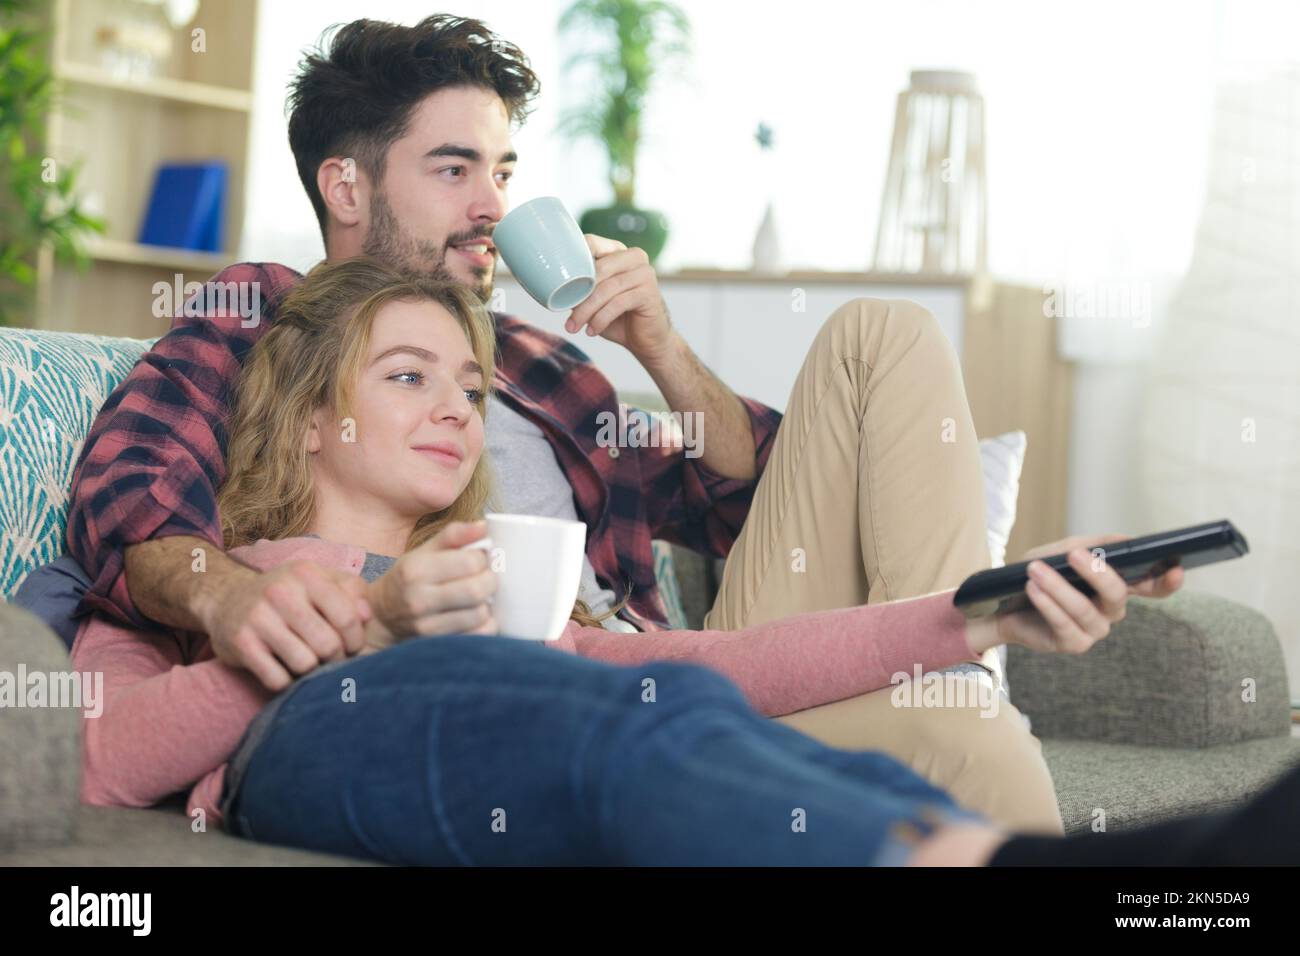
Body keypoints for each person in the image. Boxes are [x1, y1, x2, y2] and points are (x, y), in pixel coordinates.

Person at [13, 15, 1155, 833]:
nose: (493, 207)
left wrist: (661, 350)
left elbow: (757, 509)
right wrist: (243, 599)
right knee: (962, 745)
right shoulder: (263, 317)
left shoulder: (549, 366)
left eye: (504, 169)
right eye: (455, 167)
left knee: (882, 334)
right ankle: (957, 684)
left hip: (656, 650)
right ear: (348, 187)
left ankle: (960, 660)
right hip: (553, 679)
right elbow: (127, 503)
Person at [71, 257, 1298, 867]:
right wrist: (364, 615)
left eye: (468, 381)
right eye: (407, 377)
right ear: (301, 421)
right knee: (635, 726)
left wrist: (981, 613)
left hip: (552, 696)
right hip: (328, 726)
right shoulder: (206, 579)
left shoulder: (509, 579)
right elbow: (95, 759)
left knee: (688, 697)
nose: (454, 405)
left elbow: (726, 652)